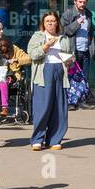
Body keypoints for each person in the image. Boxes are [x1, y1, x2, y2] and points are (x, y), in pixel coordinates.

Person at [28, 10, 74, 151]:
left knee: (59, 108)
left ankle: (54, 139)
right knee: (42, 107)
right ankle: (37, 139)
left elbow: (71, 55)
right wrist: (46, 46)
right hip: (43, 73)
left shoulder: (64, 38)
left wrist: (70, 60)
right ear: (43, 23)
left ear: (57, 23)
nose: (50, 23)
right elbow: (32, 54)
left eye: (53, 21)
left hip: (60, 72)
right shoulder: (38, 36)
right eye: (47, 21)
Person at [61, 0, 95, 105]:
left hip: (85, 50)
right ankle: (72, 101)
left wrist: (92, 47)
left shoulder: (88, 14)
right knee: (73, 77)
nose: (82, 4)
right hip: (73, 51)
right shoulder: (68, 14)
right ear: (75, 1)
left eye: (84, 2)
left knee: (84, 77)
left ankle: (83, 100)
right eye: (80, 1)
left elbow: (90, 31)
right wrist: (76, 23)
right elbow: (63, 31)